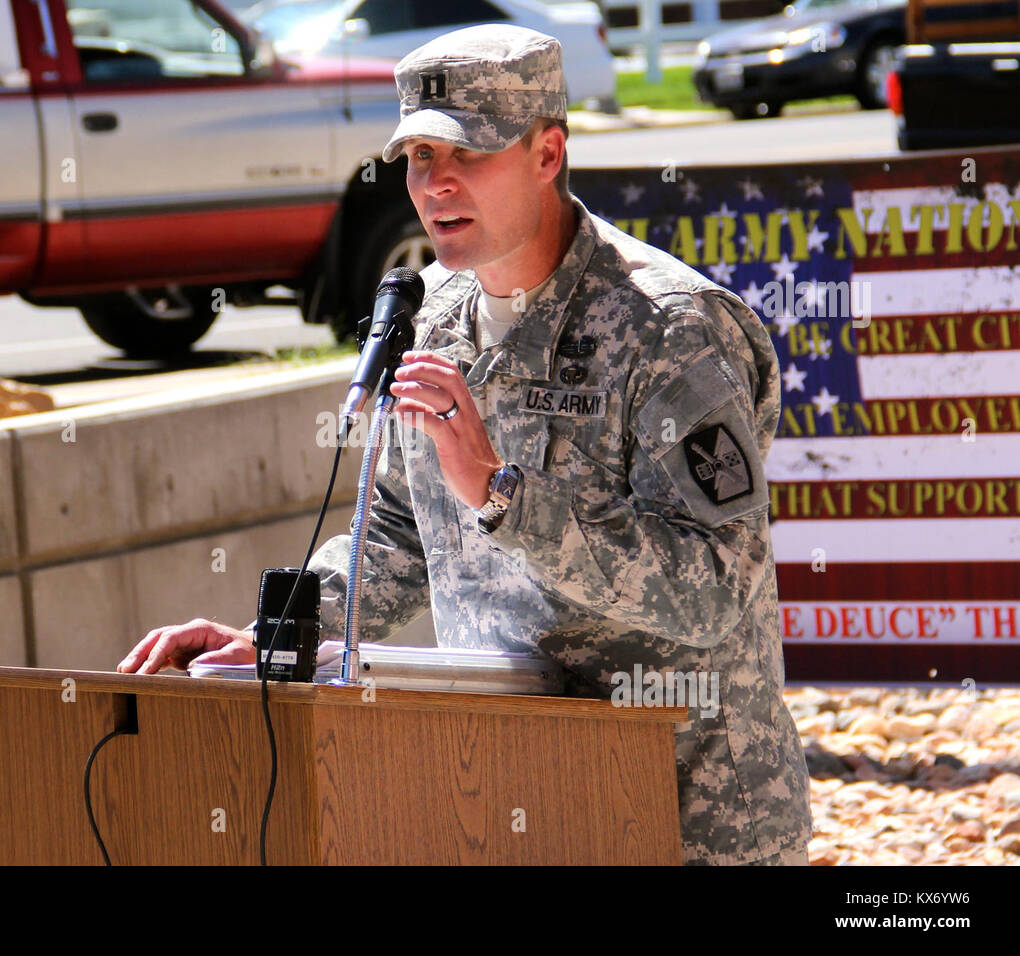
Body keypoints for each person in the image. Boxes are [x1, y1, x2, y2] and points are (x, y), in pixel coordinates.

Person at [118, 24, 812, 865]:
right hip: (507, 794)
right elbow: (402, 534)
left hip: (684, 813)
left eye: (465, 155)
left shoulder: (669, 330)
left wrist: (501, 495)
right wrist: (279, 633)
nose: (435, 185)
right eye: (416, 157)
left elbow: (713, 591)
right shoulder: (434, 317)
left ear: (548, 152)